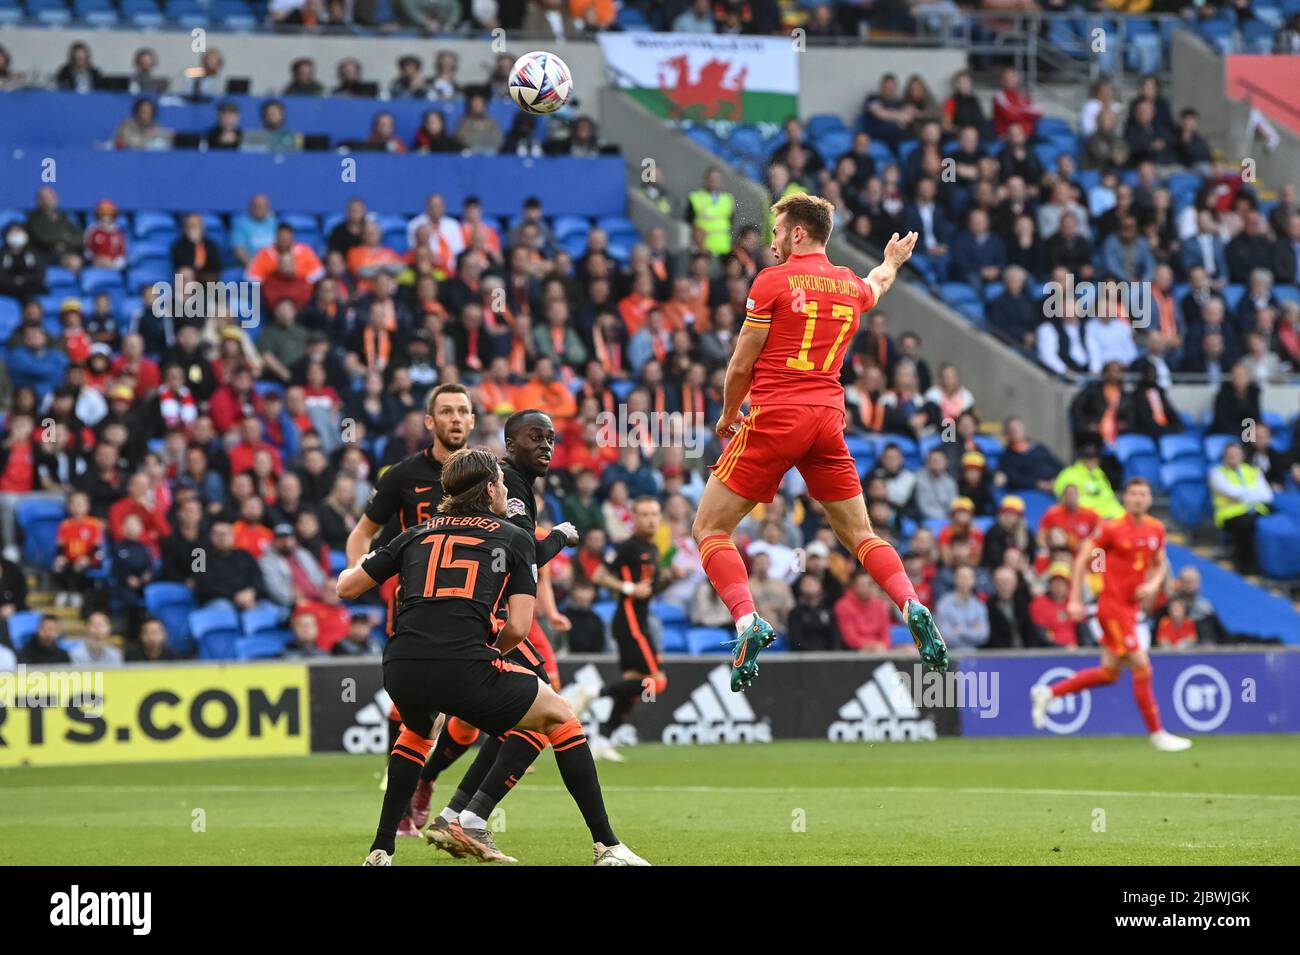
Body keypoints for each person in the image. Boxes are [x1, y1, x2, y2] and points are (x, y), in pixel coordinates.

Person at [338, 447, 647, 866]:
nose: (506, 489)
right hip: (464, 664)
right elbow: (519, 627)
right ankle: (607, 847)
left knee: (416, 732)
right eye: (501, 483)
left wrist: (353, 566)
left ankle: (381, 849)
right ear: (489, 489)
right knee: (559, 714)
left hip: (401, 665)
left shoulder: (416, 533)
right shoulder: (514, 537)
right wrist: (485, 658)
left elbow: (347, 588)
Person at [691, 193, 948, 692]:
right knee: (862, 535)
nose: (772, 240)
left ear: (799, 233)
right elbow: (878, 283)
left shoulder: (771, 282)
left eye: (778, 231)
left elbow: (741, 364)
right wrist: (891, 261)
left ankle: (747, 622)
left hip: (776, 415)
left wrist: (726, 415)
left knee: (709, 529)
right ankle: (911, 602)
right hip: (828, 419)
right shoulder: (850, 285)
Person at [419, 409, 578, 840]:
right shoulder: (511, 489)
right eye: (535, 437)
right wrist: (562, 535)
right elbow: (528, 554)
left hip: (480, 617)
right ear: (509, 445)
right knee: (548, 715)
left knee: (521, 719)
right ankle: (467, 818)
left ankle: (454, 815)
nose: (546, 445)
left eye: (550, 438)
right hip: (494, 618)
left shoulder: (514, 485)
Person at [1031, 478, 1192, 752]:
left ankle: (1048, 693)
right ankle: (1157, 733)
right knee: (1142, 666)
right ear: (1125, 499)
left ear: (1150, 498)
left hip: (1131, 609)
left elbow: (1160, 562)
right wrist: (1075, 598)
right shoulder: (1113, 529)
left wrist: (1152, 585)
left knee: (1109, 673)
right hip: (1112, 607)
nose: (1139, 498)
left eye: (1144, 493)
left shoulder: (1156, 529)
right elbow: (1084, 558)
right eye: (1134, 494)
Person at [587, 496, 668, 760]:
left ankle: (601, 740)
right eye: (645, 514)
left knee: (633, 688)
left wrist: (667, 580)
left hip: (640, 621)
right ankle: (591, 693)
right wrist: (628, 588)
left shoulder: (652, 548)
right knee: (656, 683)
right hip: (630, 621)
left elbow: (649, 590)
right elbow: (598, 575)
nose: (651, 519)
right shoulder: (628, 546)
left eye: (655, 514)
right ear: (634, 518)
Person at [1209, 442, 1272, 574]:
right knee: (1245, 524)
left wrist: (1244, 493)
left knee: (1272, 524)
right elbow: (1231, 492)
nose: (1233, 456)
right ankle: (1245, 567)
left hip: (1256, 512)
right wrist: (1253, 492)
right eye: (1229, 454)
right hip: (1230, 515)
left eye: (1236, 454)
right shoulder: (1217, 473)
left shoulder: (1253, 471)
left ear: (1242, 456)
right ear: (1224, 456)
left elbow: (1267, 496)